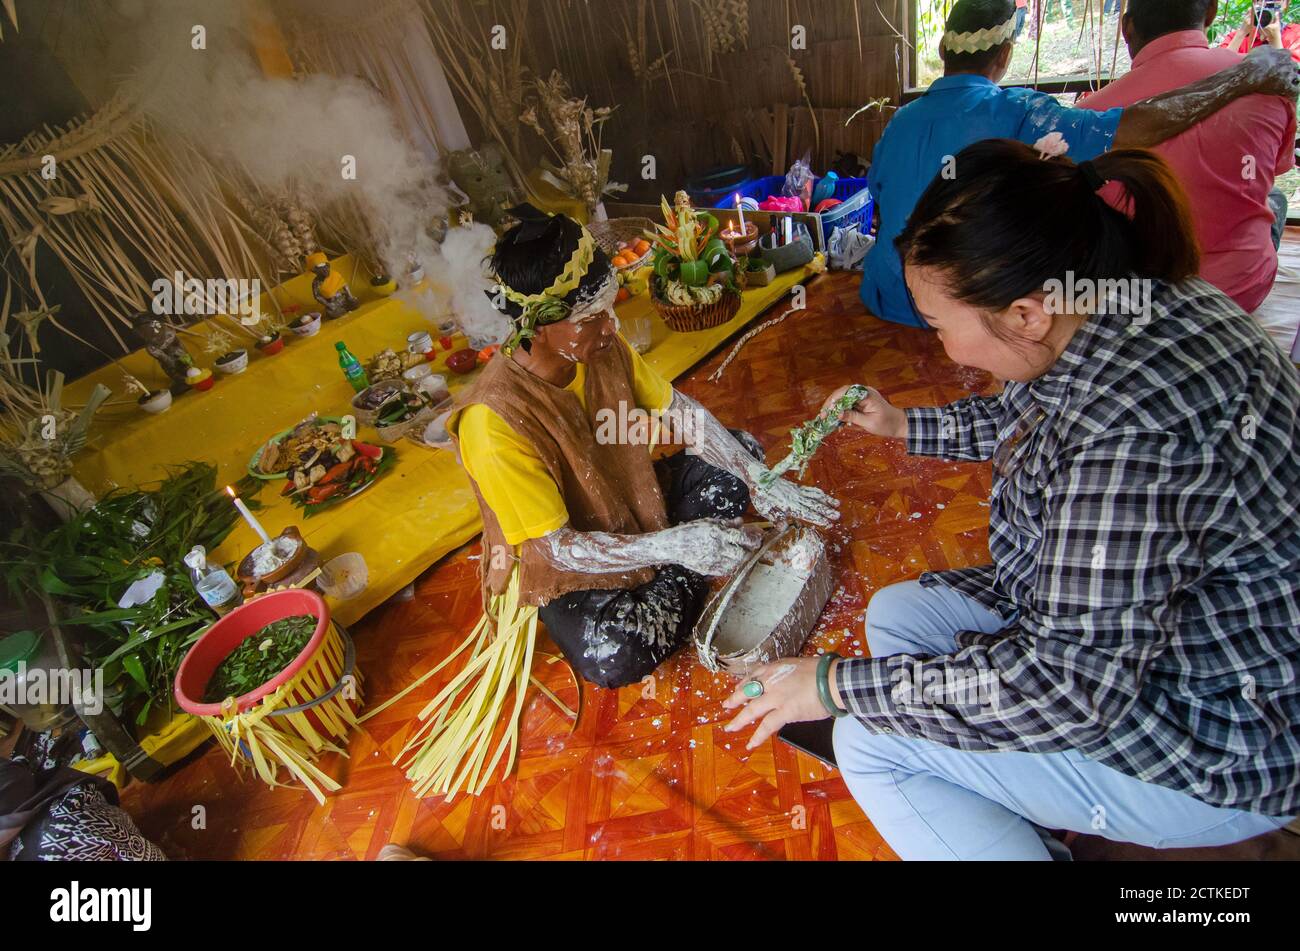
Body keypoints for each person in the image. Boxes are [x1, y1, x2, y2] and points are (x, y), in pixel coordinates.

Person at [724, 140, 1300, 860]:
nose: (941, 345)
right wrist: (902, 424)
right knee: (899, 614)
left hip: (1226, 727)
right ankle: (1014, 810)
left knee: (870, 744)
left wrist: (836, 686)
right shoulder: (1116, 301)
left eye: (940, 325)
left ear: (1026, 315)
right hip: (1167, 637)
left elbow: (1069, 687)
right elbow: (1027, 413)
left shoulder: (1135, 436)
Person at [447, 205, 838, 689]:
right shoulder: (491, 424)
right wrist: (677, 544)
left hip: (637, 504)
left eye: (610, 306)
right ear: (537, 326)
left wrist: (759, 477)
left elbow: (680, 411)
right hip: (576, 563)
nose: (611, 326)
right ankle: (687, 565)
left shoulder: (601, 344)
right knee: (613, 654)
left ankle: (679, 574)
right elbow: (561, 548)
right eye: (591, 317)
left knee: (741, 455)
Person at [860, 0, 1300, 328]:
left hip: (889, 294)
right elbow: (1131, 127)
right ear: (1005, 56)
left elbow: (881, 196)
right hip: (973, 305)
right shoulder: (1024, 113)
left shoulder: (900, 121)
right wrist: (1241, 78)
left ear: (943, 50)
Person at [1079, 0, 1297, 324]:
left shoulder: (1089, 120)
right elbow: (1273, 168)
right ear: (1210, 12)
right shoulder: (1269, 82)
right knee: (1272, 197)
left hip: (1139, 298)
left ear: (1127, 29)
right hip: (1239, 289)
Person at [1220, 0, 1300, 62]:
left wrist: (1275, 41)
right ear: (1254, 3)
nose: (1268, 4)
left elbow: (1294, 75)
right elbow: (1219, 67)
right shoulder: (1237, 36)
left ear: (1286, 3)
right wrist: (1241, 33)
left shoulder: (1296, 35)